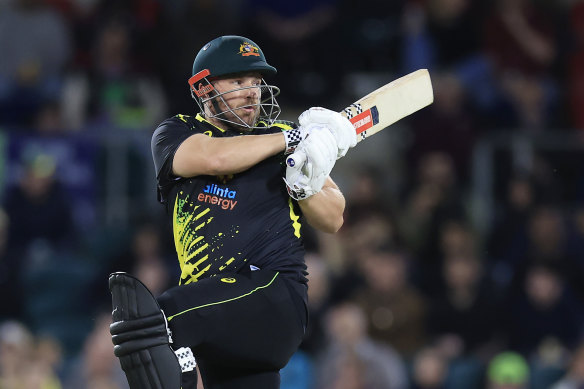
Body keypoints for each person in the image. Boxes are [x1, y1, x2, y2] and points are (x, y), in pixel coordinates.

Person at [108, 35, 356, 389]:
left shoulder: (285, 140)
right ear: (205, 88)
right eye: (238, 81)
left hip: (272, 293)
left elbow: (333, 218)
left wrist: (305, 183)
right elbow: (215, 157)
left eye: (256, 83)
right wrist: (291, 142)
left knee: (154, 320)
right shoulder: (178, 132)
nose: (252, 92)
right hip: (216, 314)